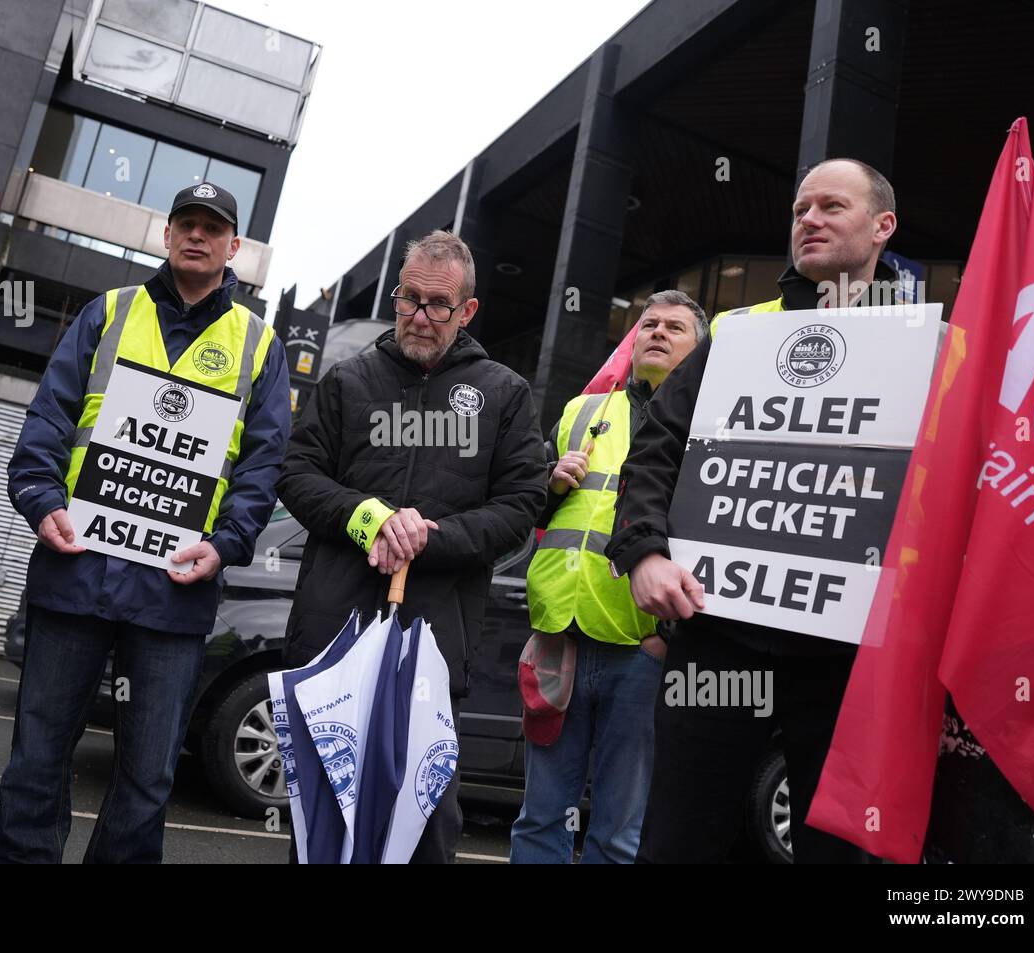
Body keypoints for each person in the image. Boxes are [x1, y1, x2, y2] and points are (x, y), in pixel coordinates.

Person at [605, 158, 899, 864]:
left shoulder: (925, 342)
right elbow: (656, 446)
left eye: (832, 205)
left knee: (840, 851)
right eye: (801, 209)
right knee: (680, 842)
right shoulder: (738, 332)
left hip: (851, 659)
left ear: (883, 226)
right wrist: (643, 550)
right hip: (723, 636)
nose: (810, 219)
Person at [0, 181, 290, 864]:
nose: (197, 235)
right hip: (75, 571)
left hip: (173, 593)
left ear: (233, 247)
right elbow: (47, 422)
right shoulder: (108, 313)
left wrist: (226, 544)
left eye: (212, 229)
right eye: (186, 223)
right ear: (166, 233)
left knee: (148, 779)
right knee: (37, 756)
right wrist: (42, 501)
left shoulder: (259, 345)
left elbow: (263, 465)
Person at [278, 229, 547, 863]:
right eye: (408, 299)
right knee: (320, 818)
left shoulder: (504, 395)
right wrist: (370, 519)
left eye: (437, 304)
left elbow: (519, 506)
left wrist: (431, 535)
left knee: (423, 824)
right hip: (332, 633)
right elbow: (296, 473)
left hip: (434, 640)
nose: (419, 317)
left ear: (468, 310)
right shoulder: (348, 381)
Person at [510, 291, 706, 864]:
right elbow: (530, 511)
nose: (657, 334)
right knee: (541, 819)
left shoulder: (712, 421)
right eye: (648, 324)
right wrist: (547, 483)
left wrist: (665, 641)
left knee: (619, 834)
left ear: (699, 350)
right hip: (559, 638)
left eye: (675, 328)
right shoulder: (582, 411)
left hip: (639, 651)